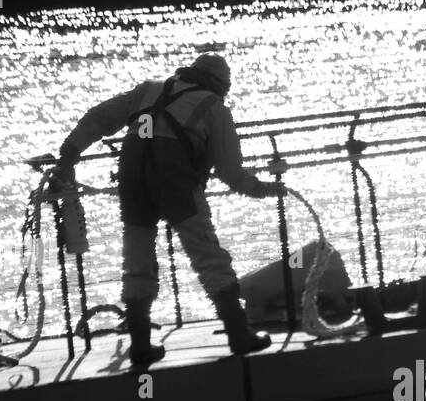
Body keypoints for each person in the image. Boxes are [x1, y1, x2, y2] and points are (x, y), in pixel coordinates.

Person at [52, 53, 283, 369]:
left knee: (137, 263)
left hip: (132, 178)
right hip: (174, 182)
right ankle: (240, 336)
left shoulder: (150, 89)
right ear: (222, 86)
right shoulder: (214, 108)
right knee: (208, 257)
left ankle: (141, 347)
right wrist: (266, 189)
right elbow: (232, 175)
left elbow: (98, 118)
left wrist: (67, 158)